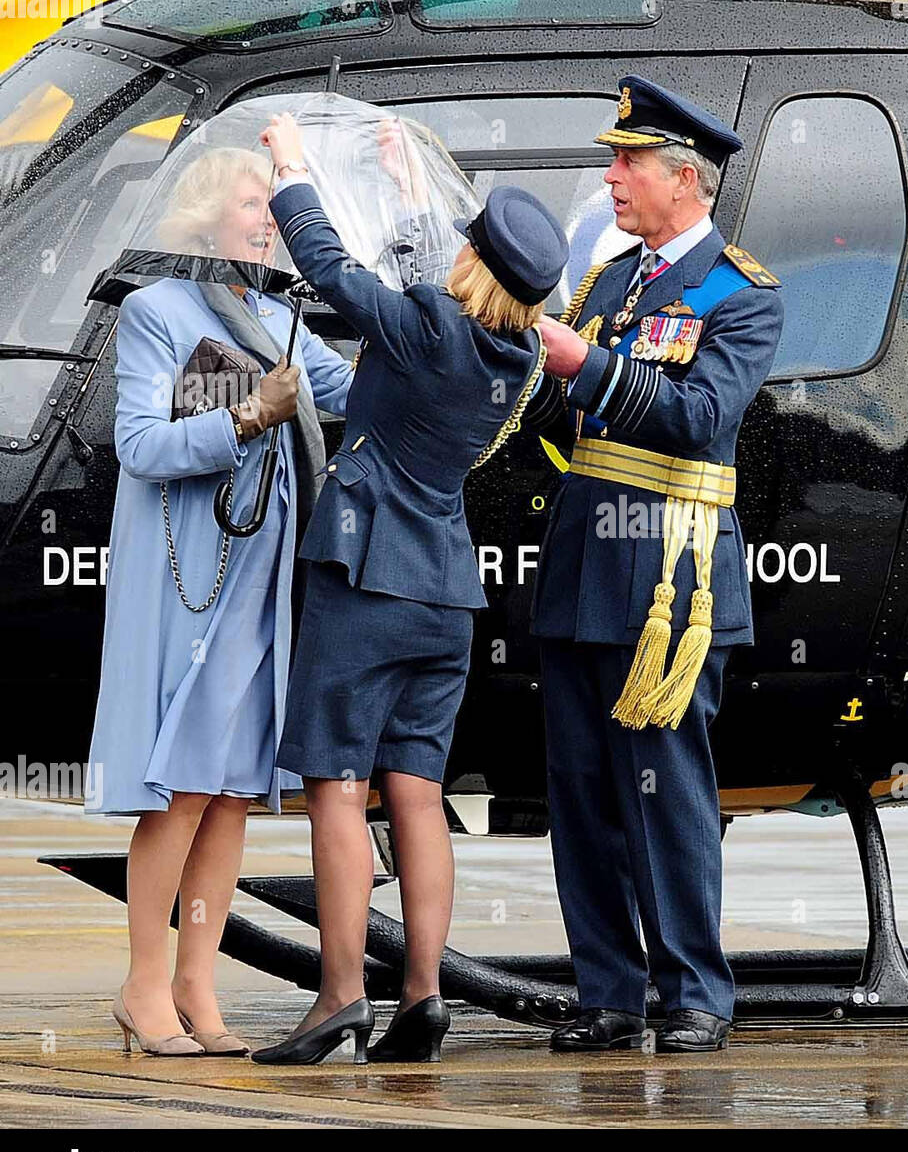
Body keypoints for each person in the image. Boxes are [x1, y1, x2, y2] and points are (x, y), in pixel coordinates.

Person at [250, 112, 567, 1065]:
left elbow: (331, 267)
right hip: (444, 596)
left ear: (470, 263)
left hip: (367, 578)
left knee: (337, 790)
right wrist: (409, 184)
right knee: (418, 795)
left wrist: (293, 170)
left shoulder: (427, 324)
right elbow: (444, 261)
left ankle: (340, 996)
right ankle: (422, 997)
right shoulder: (512, 358)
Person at [526, 76, 784, 1054]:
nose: (612, 177)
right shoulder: (605, 283)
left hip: (668, 580)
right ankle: (608, 991)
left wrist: (579, 366)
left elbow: (695, 418)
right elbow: (565, 421)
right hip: (587, 572)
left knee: (664, 797)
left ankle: (694, 993)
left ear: (687, 179)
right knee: (582, 794)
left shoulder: (739, 292)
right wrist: (511, 349)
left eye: (628, 162)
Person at [87, 146, 353, 1056]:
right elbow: (139, 446)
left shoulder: (279, 316)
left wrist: (434, 320)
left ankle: (198, 985)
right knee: (185, 786)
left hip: (255, 580)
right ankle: (143, 983)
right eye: (254, 202)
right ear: (205, 214)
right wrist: (245, 417)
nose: (269, 218)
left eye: (275, 205)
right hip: (184, 575)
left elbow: (356, 391)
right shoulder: (153, 313)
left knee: (232, 790)